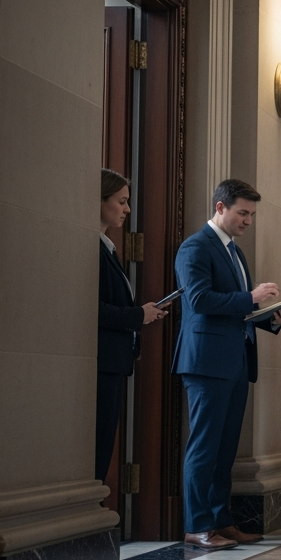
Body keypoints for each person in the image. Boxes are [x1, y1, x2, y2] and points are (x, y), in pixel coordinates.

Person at [173, 179, 281, 551]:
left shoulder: (235, 252)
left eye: (252, 215)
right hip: (207, 363)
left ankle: (221, 522)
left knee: (225, 450)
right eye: (242, 213)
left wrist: (272, 318)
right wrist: (250, 296)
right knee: (205, 447)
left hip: (236, 361)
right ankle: (197, 525)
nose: (248, 221)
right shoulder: (195, 247)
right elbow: (199, 300)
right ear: (220, 207)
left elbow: (239, 311)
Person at [97, 169, 169, 484]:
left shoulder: (107, 247)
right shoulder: (90, 247)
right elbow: (90, 309)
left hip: (113, 363)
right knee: (97, 445)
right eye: (121, 201)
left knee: (104, 443)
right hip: (100, 363)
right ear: (97, 200)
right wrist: (138, 316)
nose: (127, 210)